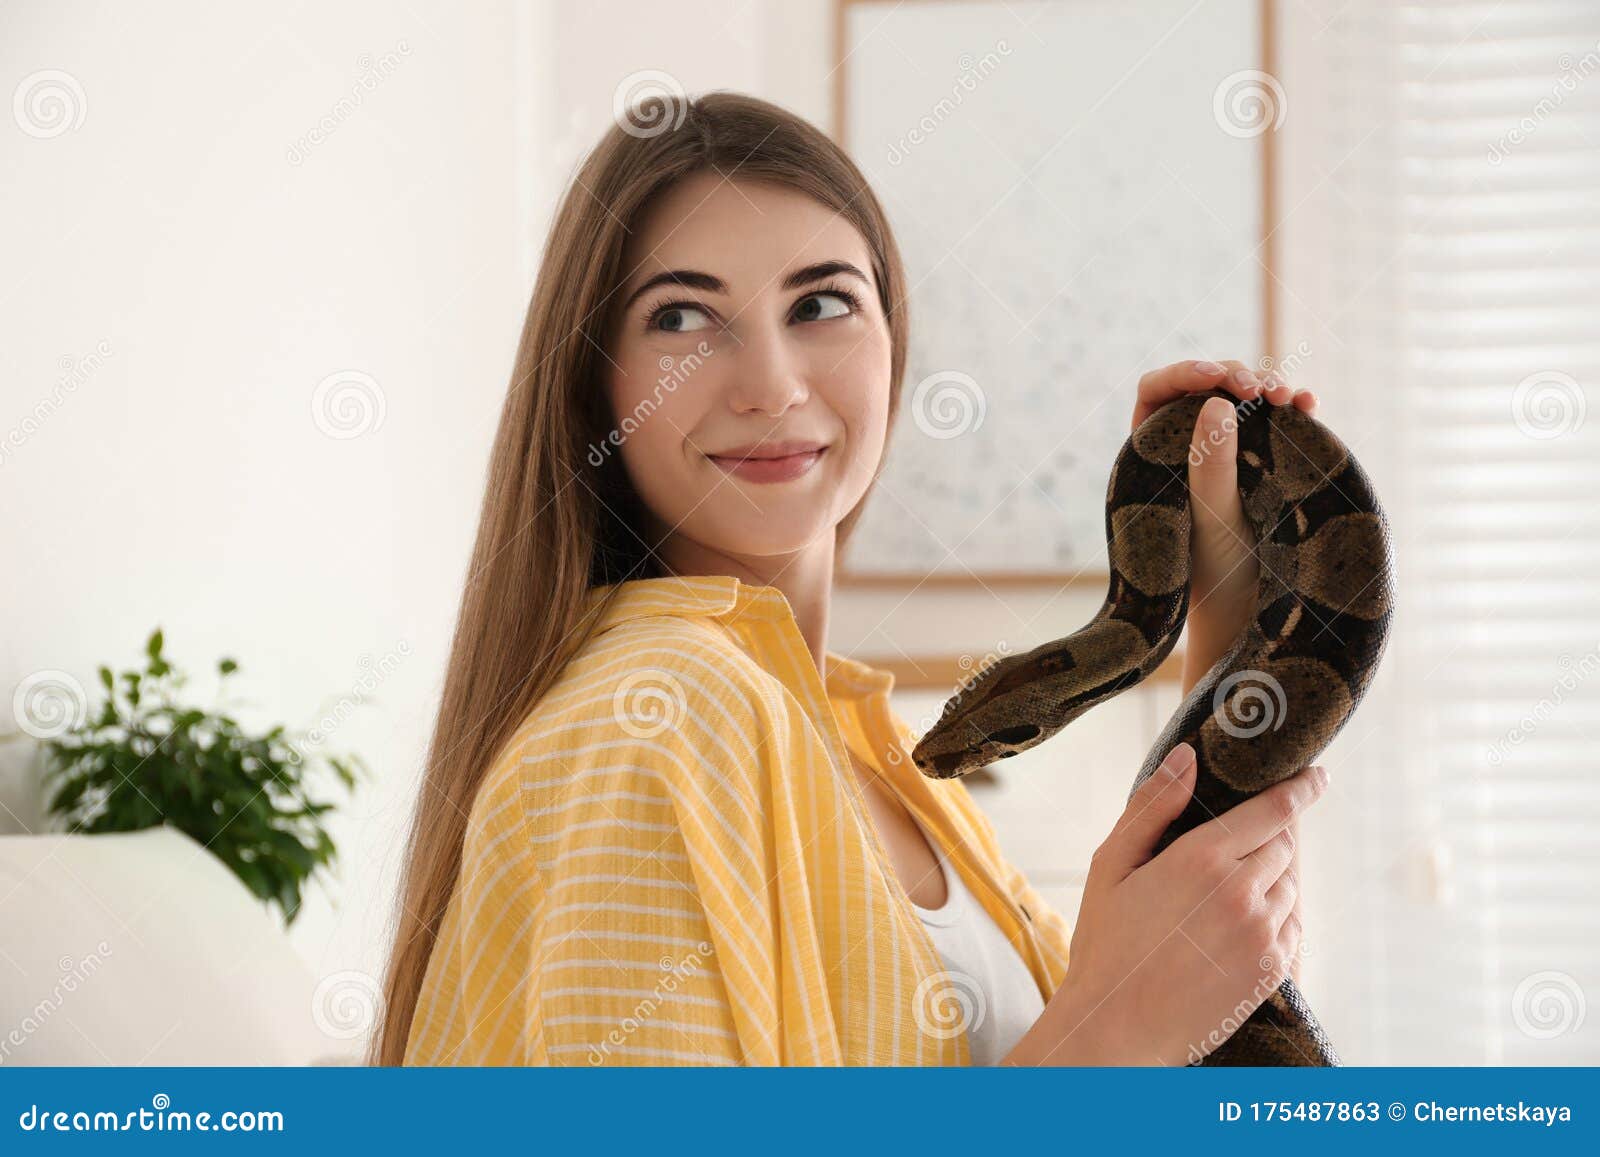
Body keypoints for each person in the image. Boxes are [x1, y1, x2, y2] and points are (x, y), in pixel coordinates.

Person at [373, 91, 1327, 1067]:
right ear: (594, 382)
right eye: (682, 316)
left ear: (891, 344)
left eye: (820, 302)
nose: (772, 384)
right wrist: (1112, 1022)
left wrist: (1225, 587)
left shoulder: (883, 755)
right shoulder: (650, 719)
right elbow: (1099, 1046)